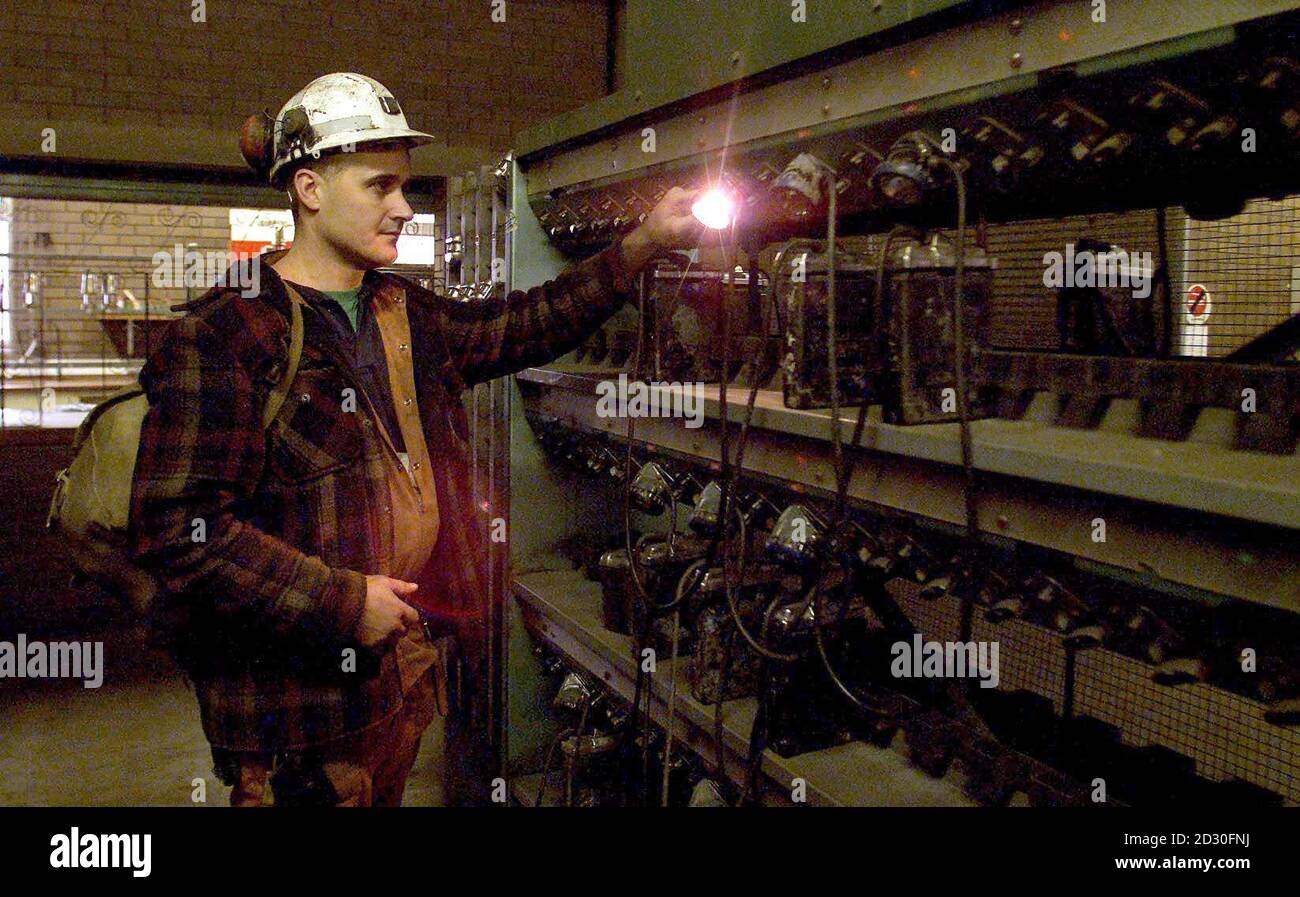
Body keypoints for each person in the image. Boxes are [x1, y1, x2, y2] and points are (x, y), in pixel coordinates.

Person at [128, 72, 703, 806]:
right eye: (381, 186)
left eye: (405, 186)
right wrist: (337, 601)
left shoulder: (402, 312)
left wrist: (642, 243)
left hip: (399, 675)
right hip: (297, 716)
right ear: (309, 189)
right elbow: (177, 530)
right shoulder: (225, 334)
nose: (404, 207)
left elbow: (523, 324)